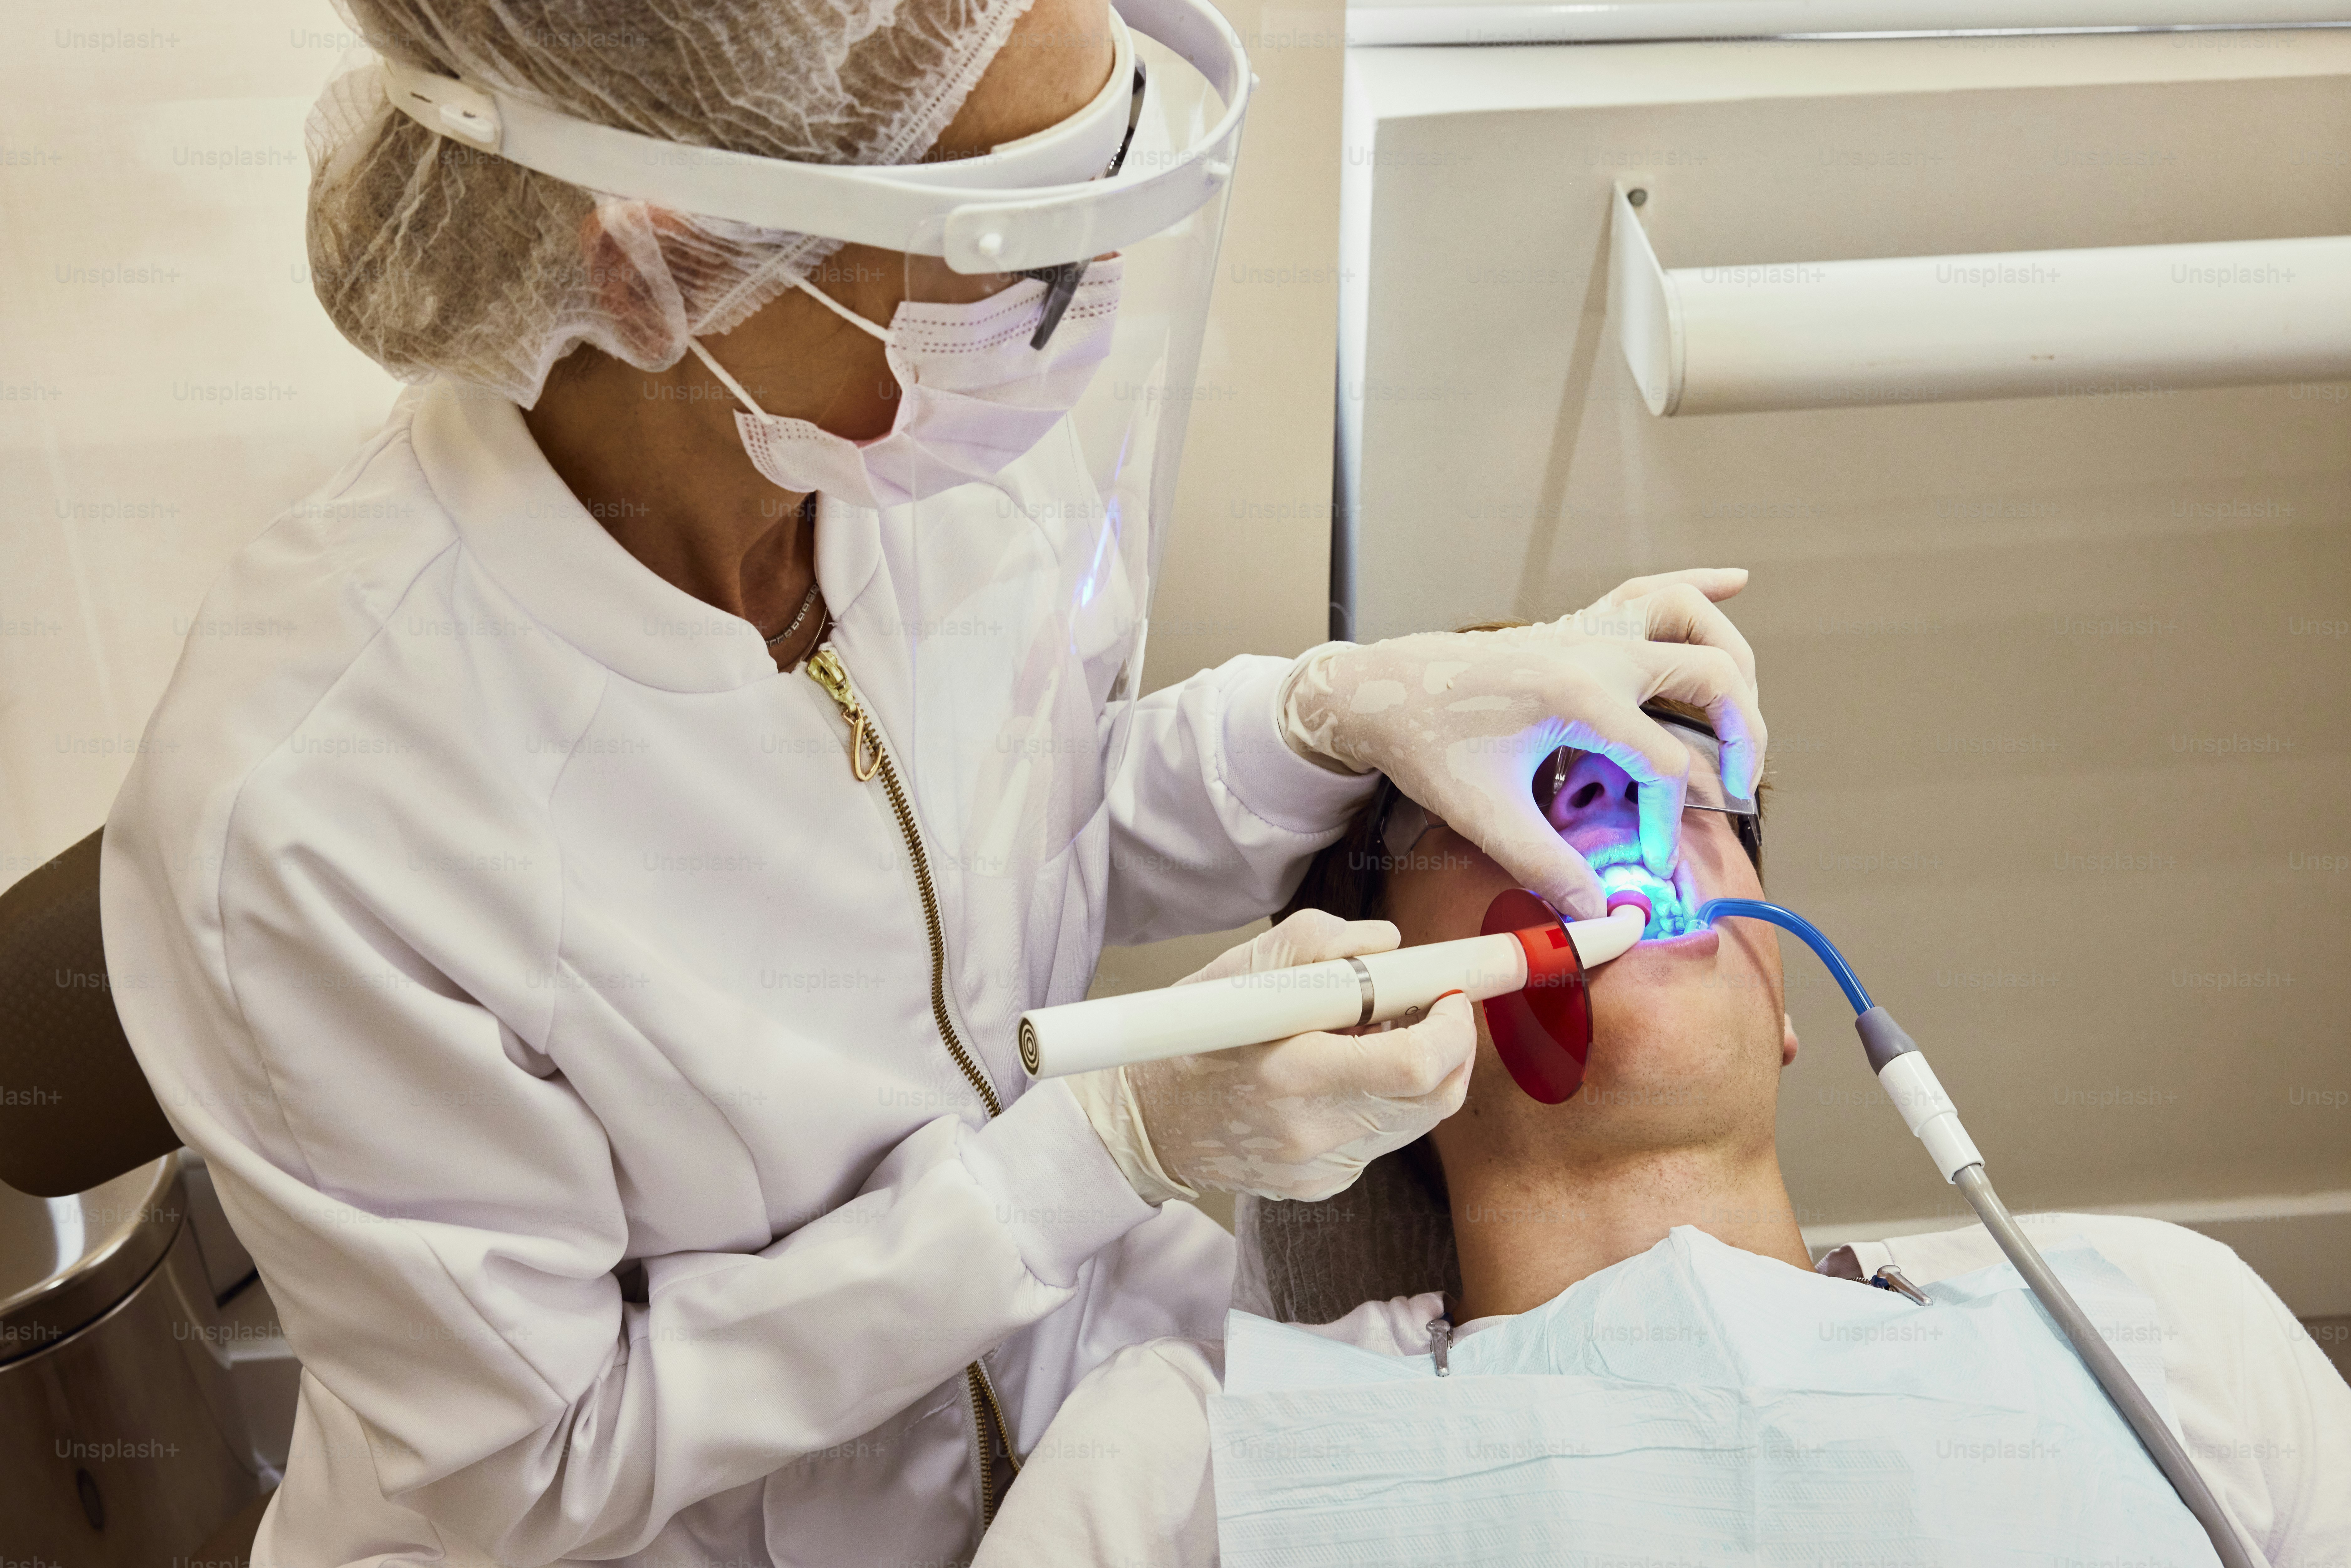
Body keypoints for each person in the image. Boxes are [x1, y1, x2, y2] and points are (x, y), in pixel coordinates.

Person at [95, 0, 1771, 1563]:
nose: (1077, 309)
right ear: (652, 272)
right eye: (1016, 252)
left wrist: (1327, 720)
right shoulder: (313, 817)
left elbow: (1025, 832)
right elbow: (540, 1461)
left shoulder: (904, 439)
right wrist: (1104, 1147)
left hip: (1073, 1431)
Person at [971, 702, 2351, 1568]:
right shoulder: (1191, 1456)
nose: (1616, 807)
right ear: (1376, 1021)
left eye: (1690, 796)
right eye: (1510, 797)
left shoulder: (2156, 1323)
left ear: (1785, 1001)